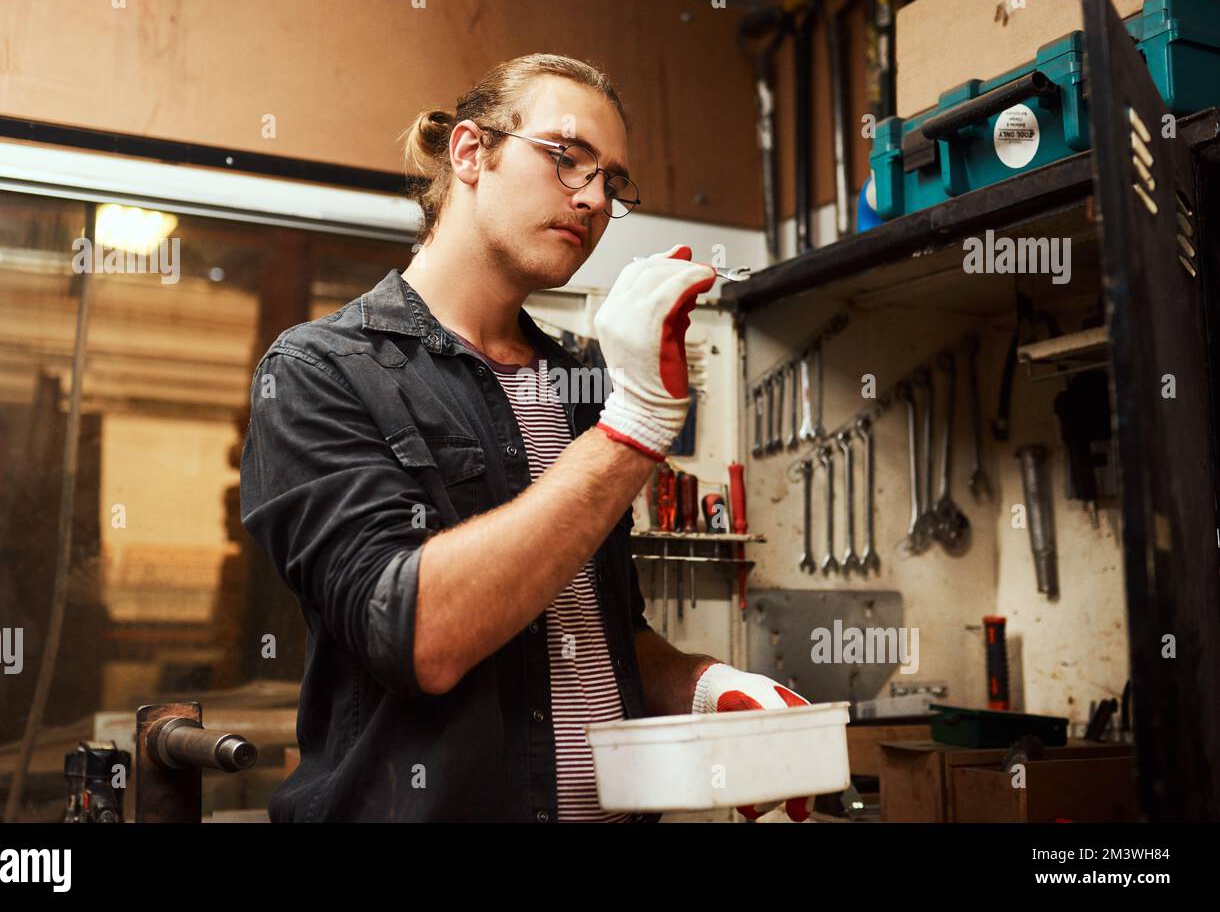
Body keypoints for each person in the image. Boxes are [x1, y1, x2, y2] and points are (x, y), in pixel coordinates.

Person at [240, 52, 811, 822]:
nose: (593, 198)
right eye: (566, 158)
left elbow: (595, 632)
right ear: (471, 152)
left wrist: (702, 685)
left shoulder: (579, 384)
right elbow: (418, 636)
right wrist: (634, 427)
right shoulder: (321, 372)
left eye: (612, 181)